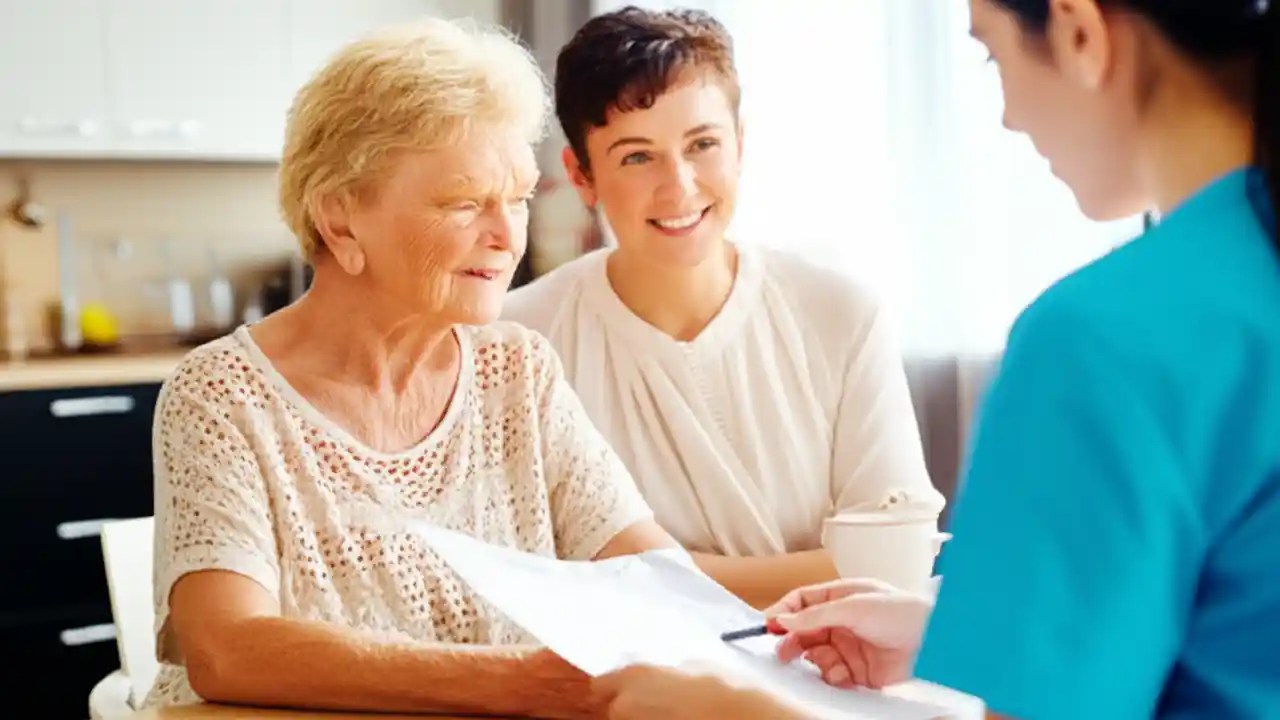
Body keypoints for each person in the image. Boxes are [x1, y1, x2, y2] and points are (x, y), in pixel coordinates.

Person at [594, 0, 1280, 717]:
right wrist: (945, 634)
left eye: (992, 54)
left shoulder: (1104, 337)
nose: (1009, 117)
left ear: (1079, 31)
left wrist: (745, 713)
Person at [144, 18, 679, 717]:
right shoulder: (221, 395)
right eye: (464, 203)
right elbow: (227, 649)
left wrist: (777, 634)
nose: (505, 234)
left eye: (516, 198)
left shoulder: (516, 370)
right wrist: (521, 684)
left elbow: (650, 574)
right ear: (339, 220)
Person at [503, 6, 944, 609]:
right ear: (581, 176)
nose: (679, 186)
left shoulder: (839, 313)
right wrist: (819, 573)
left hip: (830, 676)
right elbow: (531, 577)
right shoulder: (518, 339)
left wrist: (644, 570)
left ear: (740, 145)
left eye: (703, 144)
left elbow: (897, 561)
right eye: (637, 156)